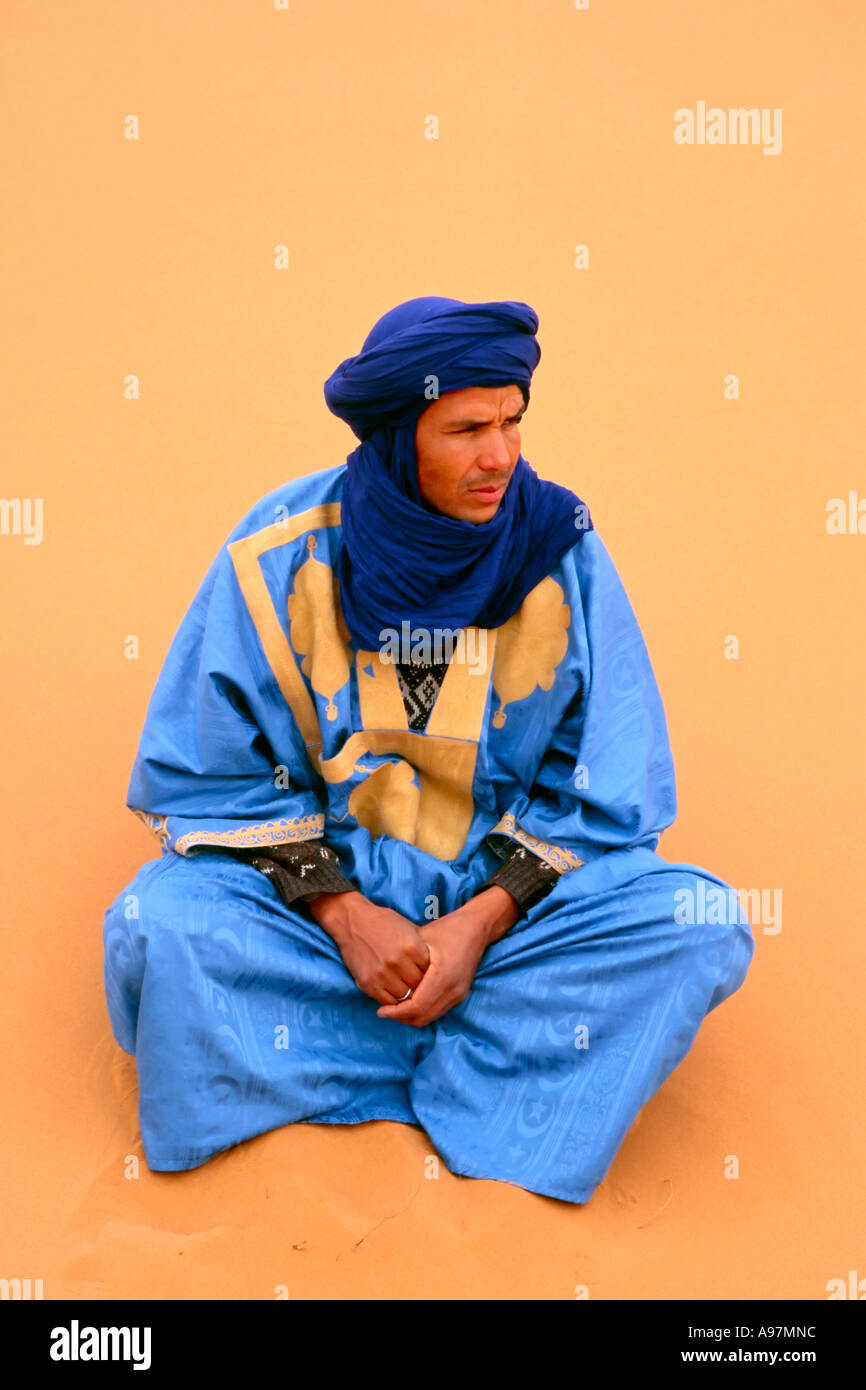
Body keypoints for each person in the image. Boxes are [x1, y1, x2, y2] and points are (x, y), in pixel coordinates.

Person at [102, 295, 754, 1204]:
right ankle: (427, 1059)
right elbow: (212, 777)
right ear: (398, 433)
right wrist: (346, 916)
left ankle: (418, 1072)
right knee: (155, 926)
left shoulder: (558, 553)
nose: (501, 456)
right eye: (467, 428)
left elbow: (605, 790)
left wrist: (475, 926)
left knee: (699, 922)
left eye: (513, 422)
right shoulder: (277, 554)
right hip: (320, 936)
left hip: (505, 935)